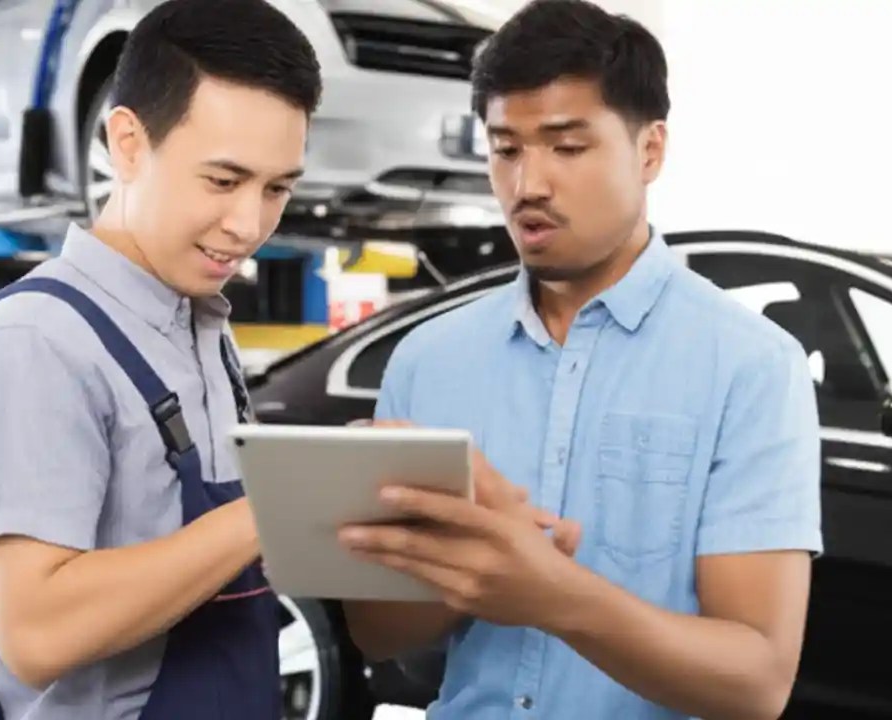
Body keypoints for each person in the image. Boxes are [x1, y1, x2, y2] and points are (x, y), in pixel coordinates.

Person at [339, 1, 823, 718]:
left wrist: (554, 596)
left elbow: (756, 683)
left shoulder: (751, 366)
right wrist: (460, 559)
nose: (529, 183)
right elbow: (377, 636)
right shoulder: (426, 361)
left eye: (566, 147)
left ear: (650, 151)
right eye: (506, 149)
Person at [0, 1, 321, 718]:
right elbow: (33, 629)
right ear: (128, 143)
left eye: (277, 189)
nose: (249, 225)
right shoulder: (37, 342)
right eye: (223, 180)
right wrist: (281, 503)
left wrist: (360, 490)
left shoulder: (197, 325)